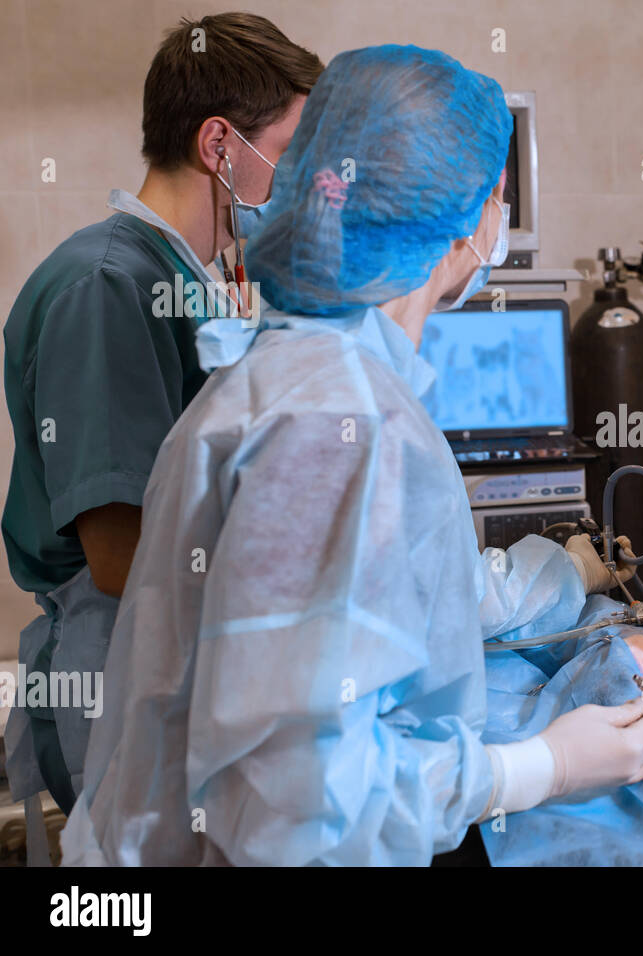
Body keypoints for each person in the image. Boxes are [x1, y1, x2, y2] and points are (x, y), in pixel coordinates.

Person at [61, 45, 643, 867]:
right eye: (496, 197)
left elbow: (375, 596)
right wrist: (538, 767)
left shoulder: (283, 373)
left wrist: (567, 575)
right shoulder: (341, 422)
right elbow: (295, 804)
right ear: (477, 215)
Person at [3, 13, 323, 822]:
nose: (297, 185)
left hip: (179, 657)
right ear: (220, 145)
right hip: (123, 672)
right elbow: (119, 556)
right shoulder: (106, 285)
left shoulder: (193, 285)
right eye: (286, 155)